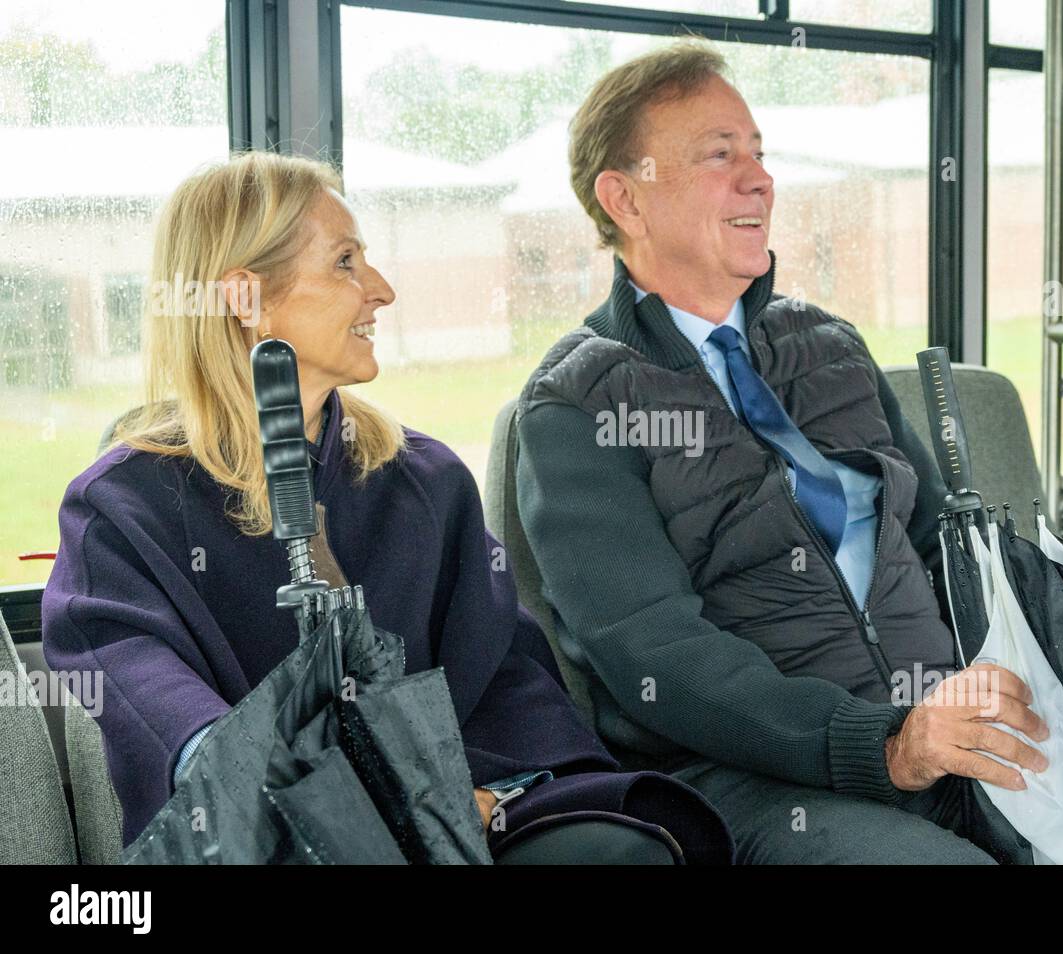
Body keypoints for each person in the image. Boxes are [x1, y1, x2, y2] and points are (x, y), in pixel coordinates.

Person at [514, 40, 1063, 864]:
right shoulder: (576, 405)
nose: (760, 179)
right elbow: (655, 653)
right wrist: (882, 741)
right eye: (720, 156)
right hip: (762, 777)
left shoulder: (829, 348)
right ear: (624, 199)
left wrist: (1036, 677)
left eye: (759, 154)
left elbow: (942, 548)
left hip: (953, 738)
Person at [41, 151, 731, 865]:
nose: (382, 289)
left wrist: (472, 795)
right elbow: (146, 689)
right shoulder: (119, 508)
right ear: (245, 298)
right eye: (345, 262)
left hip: (465, 809)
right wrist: (304, 793)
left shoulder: (426, 481)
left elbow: (504, 676)